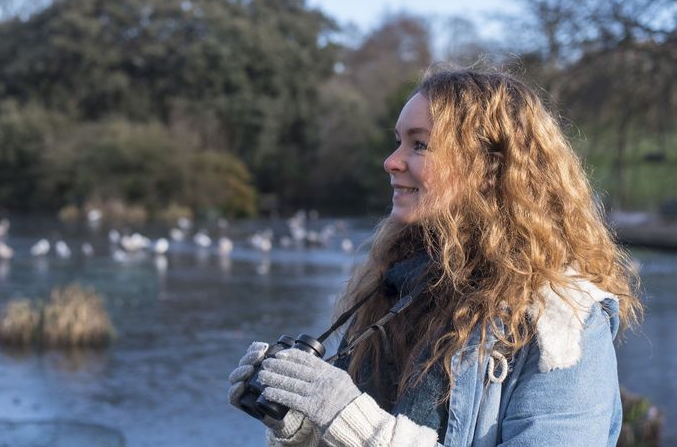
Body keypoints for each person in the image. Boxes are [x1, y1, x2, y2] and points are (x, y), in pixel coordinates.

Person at [228, 67, 642, 446]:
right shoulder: (394, 283)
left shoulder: (562, 320)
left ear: (490, 167)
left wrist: (350, 418)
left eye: (420, 145)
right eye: (398, 142)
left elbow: (362, 426)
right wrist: (299, 426)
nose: (391, 162)